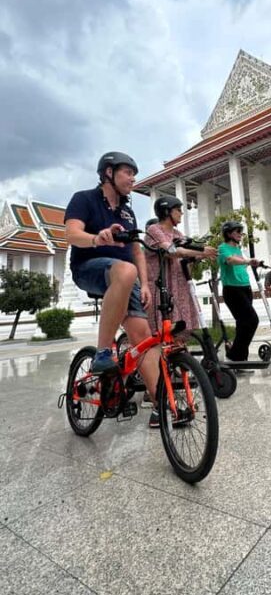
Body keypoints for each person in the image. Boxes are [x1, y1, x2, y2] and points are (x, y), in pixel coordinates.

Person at [64, 152, 160, 407]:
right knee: (126, 270)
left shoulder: (128, 213)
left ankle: (162, 402)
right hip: (89, 268)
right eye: (128, 172)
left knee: (144, 337)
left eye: (134, 174)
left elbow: (137, 250)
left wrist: (146, 284)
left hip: (124, 277)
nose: (133, 178)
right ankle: (103, 351)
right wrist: (97, 238)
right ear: (109, 173)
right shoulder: (84, 199)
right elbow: (71, 234)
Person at [144, 195, 217, 426]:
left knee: (178, 342)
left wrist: (199, 252)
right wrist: (200, 251)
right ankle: (157, 402)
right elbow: (172, 251)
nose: (181, 214)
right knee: (160, 344)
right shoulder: (155, 230)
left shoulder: (178, 233)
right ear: (167, 211)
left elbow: (187, 249)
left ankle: (178, 393)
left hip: (180, 288)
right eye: (178, 210)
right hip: (161, 290)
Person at [218, 221, 261, 362]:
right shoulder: (222, 248)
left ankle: (240, 359)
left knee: (243, 324)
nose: (240, 234)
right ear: (229, 233)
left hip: (245, 288)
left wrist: (251, 262)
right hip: (232, 289)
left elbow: (241, 262)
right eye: (237, 231)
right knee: (252, 320)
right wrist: (247, 261)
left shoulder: (239, 250)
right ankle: (233, 355)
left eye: (240, 232)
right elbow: (230, 260)